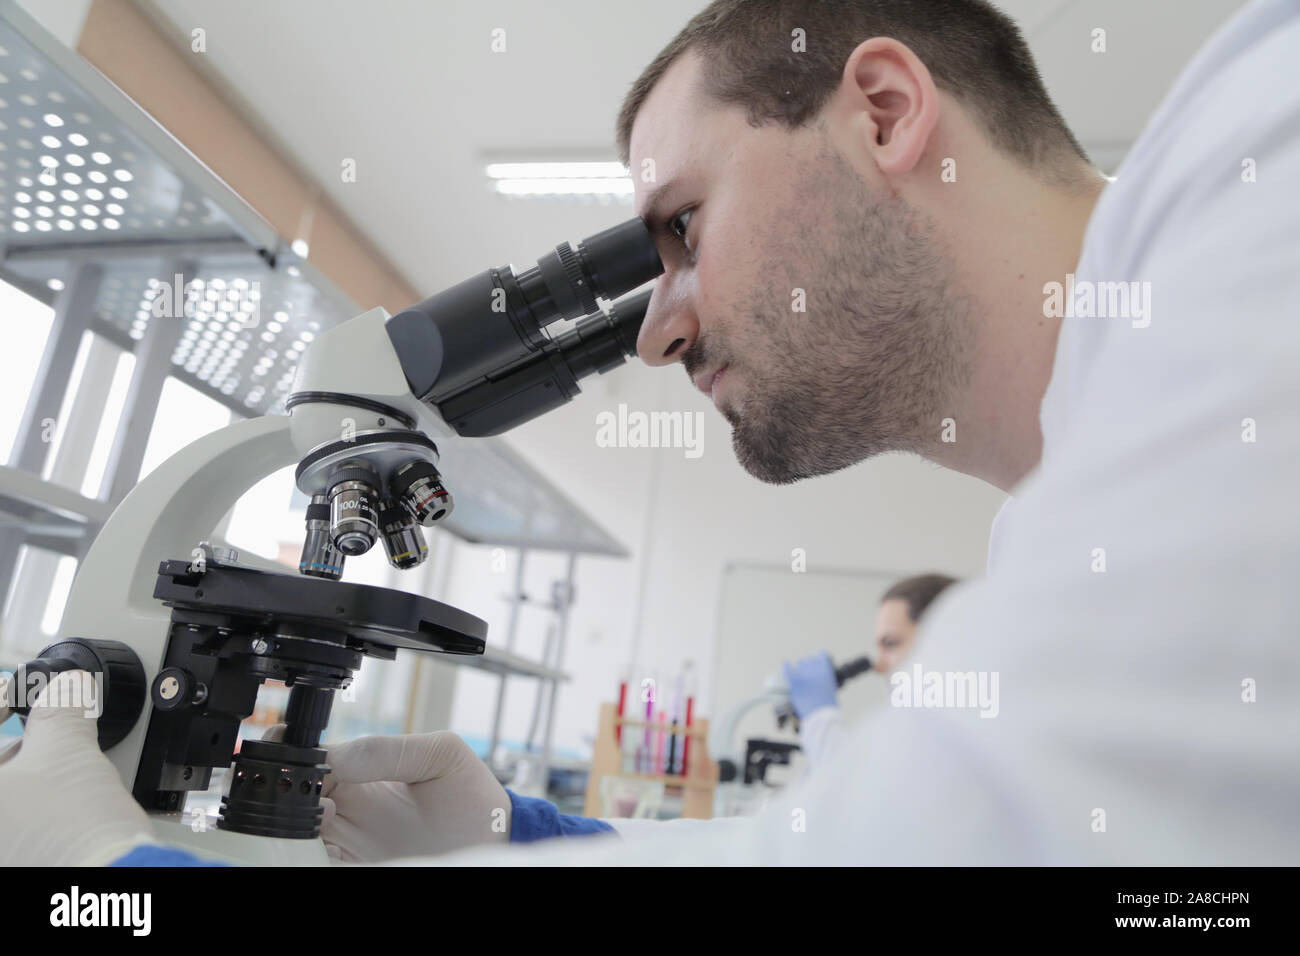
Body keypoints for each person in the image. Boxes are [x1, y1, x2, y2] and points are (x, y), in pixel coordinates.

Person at [3, 0, 1299, 865]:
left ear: (890, 114)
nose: (652, 333)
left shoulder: (1259, 149)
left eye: (679, 229)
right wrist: (533, 836)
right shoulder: (1059, 532)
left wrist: (119, 875)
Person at [784, 573, 956, 767]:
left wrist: (820, 718)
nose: (879, 666)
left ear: (943, 637)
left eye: (891, 644)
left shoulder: (958, 735)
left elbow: (856, 789)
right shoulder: (913, 729)